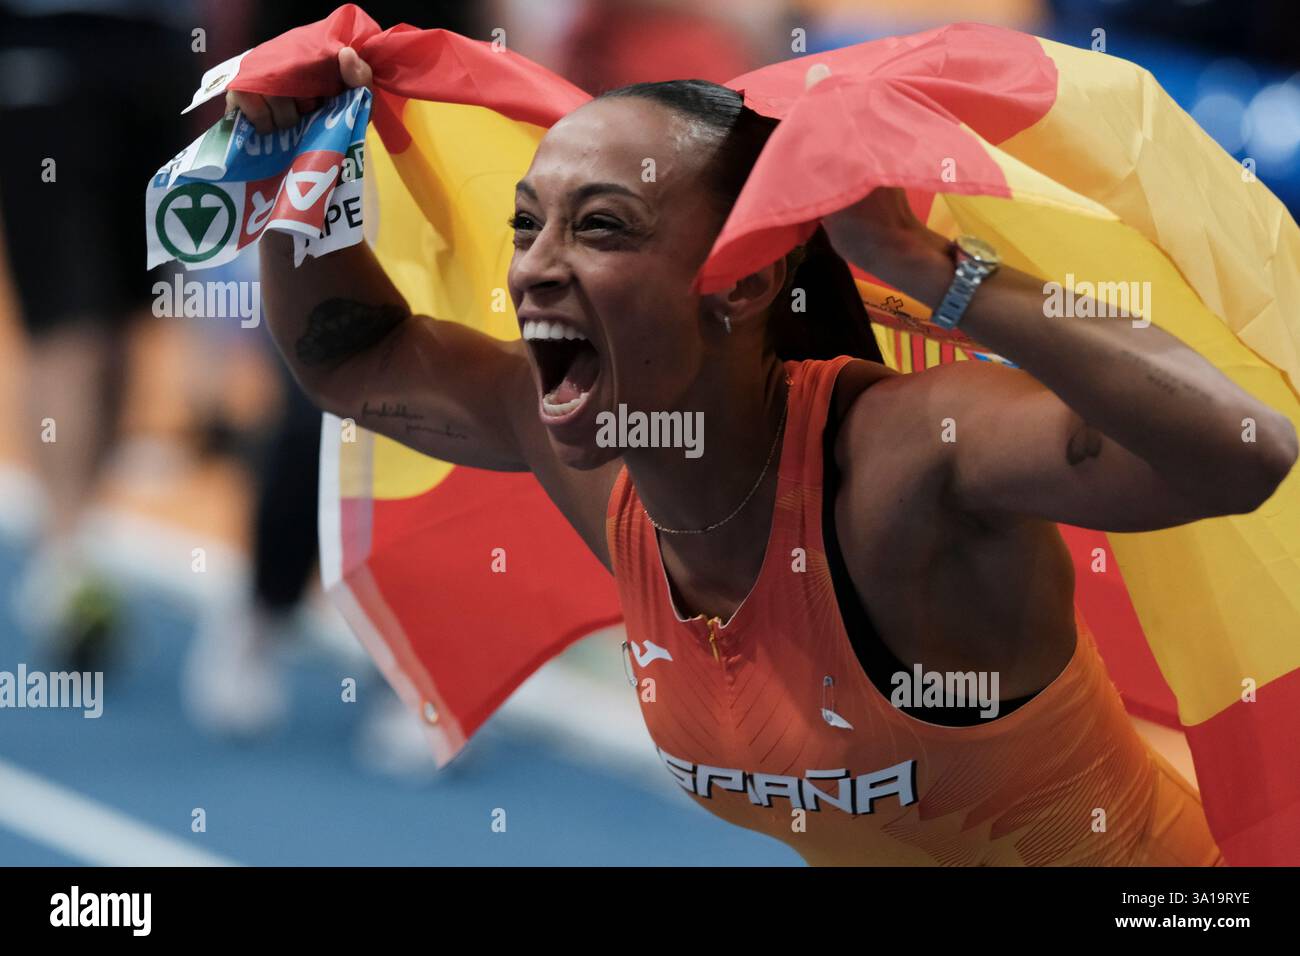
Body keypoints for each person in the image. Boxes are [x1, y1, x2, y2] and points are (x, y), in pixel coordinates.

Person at [232, 47, 1297, 865]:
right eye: (526, 225)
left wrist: (927, 268)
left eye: (599, 228)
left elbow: (1247, 449)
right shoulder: (603, 467)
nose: (534, 270)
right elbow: (353, 356)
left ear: (739, 283)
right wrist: (298, 169)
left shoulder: (902, 460)